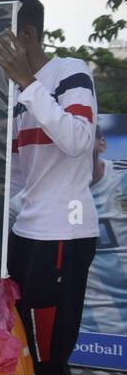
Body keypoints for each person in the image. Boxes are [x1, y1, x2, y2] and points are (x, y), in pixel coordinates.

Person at [0, 0, 98, 375]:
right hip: (27, 233)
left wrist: (28, 84)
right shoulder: (15, 95)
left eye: (3, 39)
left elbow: (77, 141)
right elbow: (17, 175)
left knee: (50, 351)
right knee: (24, 345)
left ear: (26, 35)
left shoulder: (70, 72)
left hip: (62, 235)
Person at [81, 126, 127, 337]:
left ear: (102, 144)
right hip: (86, 335)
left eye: (83, 136)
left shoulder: (122, 180)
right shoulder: (34, 198)